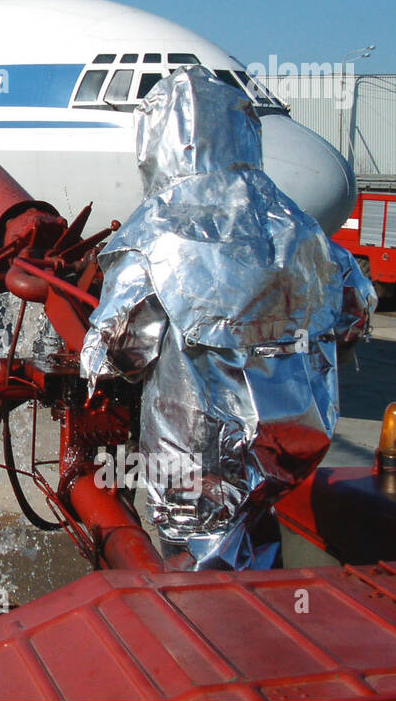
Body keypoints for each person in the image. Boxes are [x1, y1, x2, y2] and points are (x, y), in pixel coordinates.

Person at [80, 68, 375, 570]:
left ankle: (216, 639)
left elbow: (121, 350)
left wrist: (94, 362)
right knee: (257, 532)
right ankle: (269, 620)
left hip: (200, 451)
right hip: (294, 440)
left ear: (157, 145)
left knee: (203, 563)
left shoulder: (155, 232)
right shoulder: (295, 223)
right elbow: (356, 310)